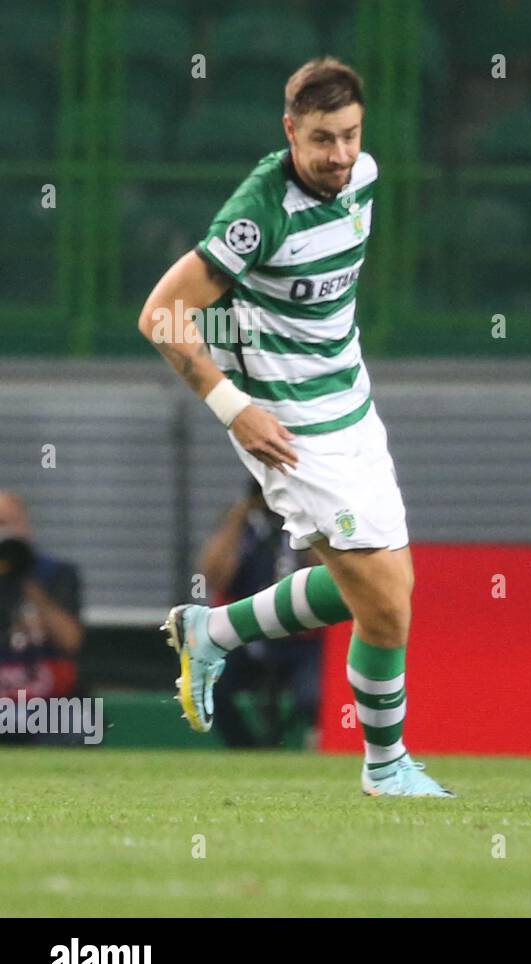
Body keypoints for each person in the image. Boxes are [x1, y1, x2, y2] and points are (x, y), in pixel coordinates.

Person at [137, 57, 451, 797]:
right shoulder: (258, 212)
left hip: (354, 408)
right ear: (290, 133)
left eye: (349, 136)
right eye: (321, 140)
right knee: (383, 604)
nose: (338, 155)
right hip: (291, 430)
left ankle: (211, 630)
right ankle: (385, 769)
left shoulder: (363, 177)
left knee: (383, 592)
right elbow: (161, 315)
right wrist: (233, 407)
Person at [201, 480, 324, 749]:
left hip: (303, 640)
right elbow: (210, 578)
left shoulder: (305, 522)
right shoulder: (245, 527)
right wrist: (238, 518)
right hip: (249, 638)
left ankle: (319, 744)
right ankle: (246, 750)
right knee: (213, 685)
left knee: (313, 695)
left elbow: (326, 574)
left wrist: (305, 517)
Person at [0, 491, 84, 718]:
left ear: (26, 527)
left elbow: (71, 641)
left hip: (49, 704)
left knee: (78, 727)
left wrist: (28, 582)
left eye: (9, 523)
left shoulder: (55, 573)